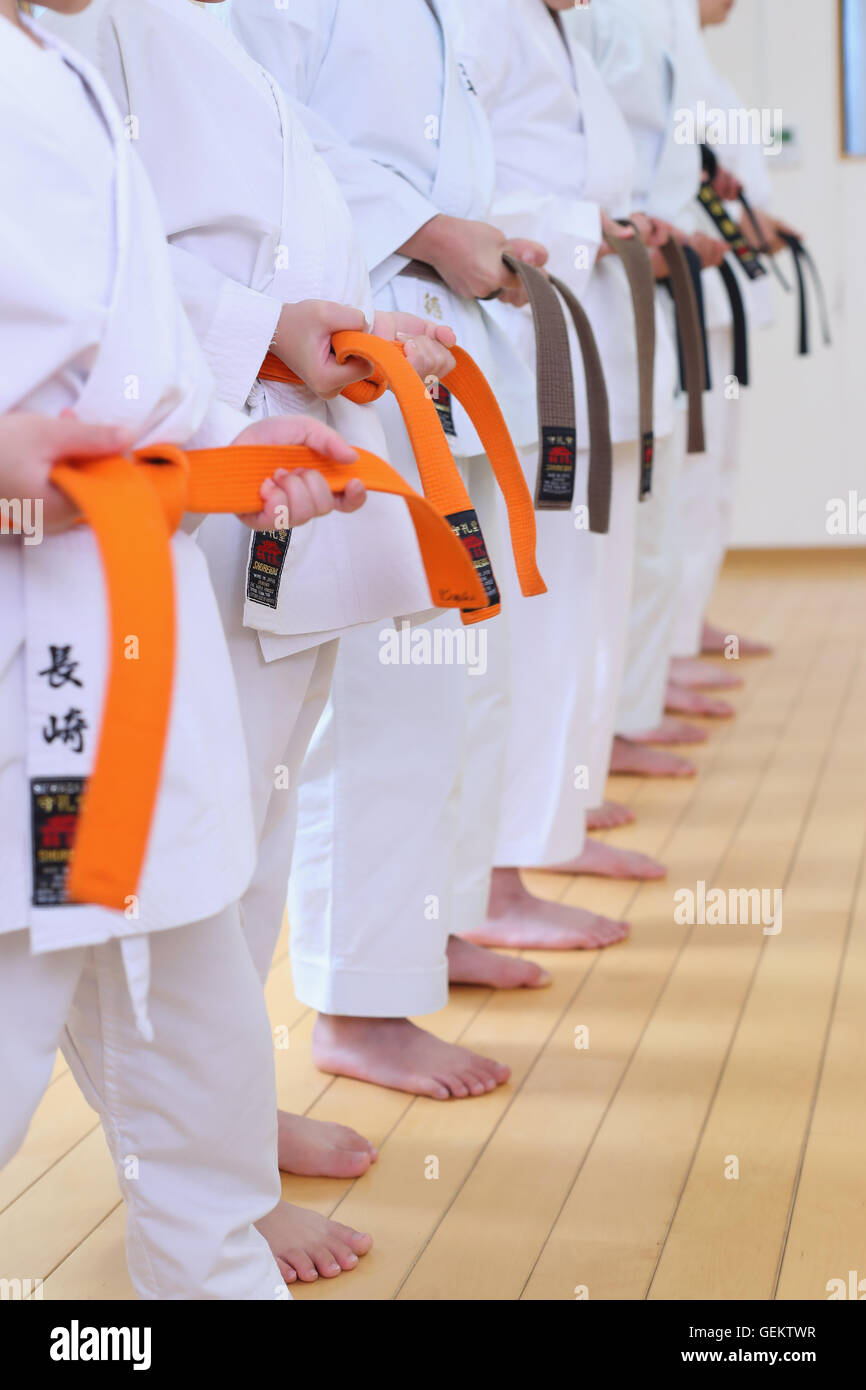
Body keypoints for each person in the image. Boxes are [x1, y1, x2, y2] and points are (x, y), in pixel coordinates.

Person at [0, 0, 371, 1297]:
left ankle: (214, 1271)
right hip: (32, 634)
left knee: (190, 976)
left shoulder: (48, 61)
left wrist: (233, 444)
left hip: (124, 622)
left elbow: (120, 355)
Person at [233, 0, 631, 1105]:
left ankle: (430, 927)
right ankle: (360, 1002)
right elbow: (267, 122)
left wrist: (474, 235)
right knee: (386, 695)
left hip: (446, 339)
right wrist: (425, 229)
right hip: (352, 336)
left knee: (464, 671)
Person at [453, 0, 677, 910]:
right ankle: (501, 866)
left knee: (588, 605)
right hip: (519, 347)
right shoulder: (479, 22)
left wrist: (616, 222)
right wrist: (585, 225)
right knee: (534, 625)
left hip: (587, 333)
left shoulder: (562, 30)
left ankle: (557, 819)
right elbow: (455, 193)